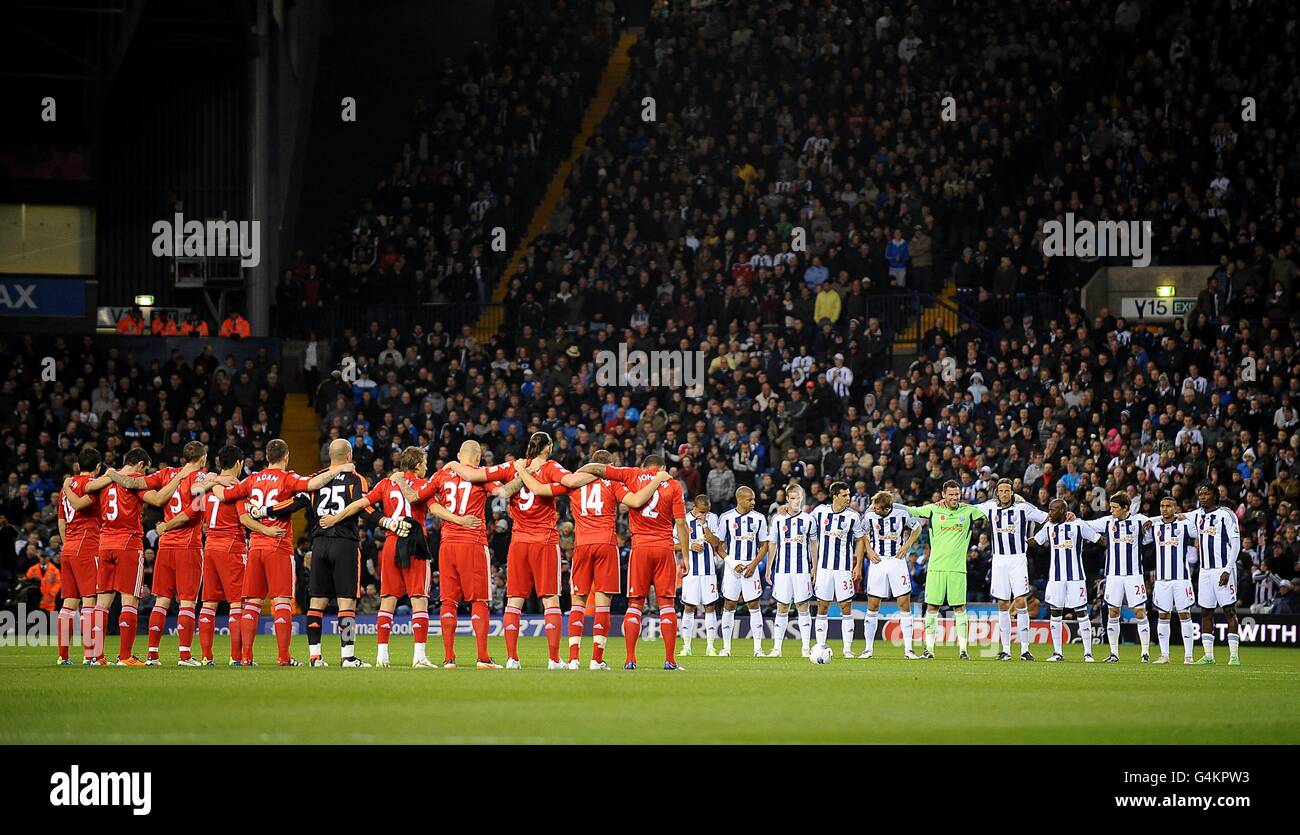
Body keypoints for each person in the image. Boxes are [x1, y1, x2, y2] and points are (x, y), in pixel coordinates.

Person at [322, 445, 483, 668]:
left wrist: (334, 518)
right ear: (417, 465)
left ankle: (382, 656)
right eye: (425, 463)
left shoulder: (387, 482)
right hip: (415, 543)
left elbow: (361, 503)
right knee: (419, 600)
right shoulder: (422, 485)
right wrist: (460, 520)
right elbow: (435, 510)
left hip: (390, 542)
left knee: (387, 600)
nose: (427, 467)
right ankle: (418, 656)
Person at [212, 438, 356, 666]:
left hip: (255, 546)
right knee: (282, 603)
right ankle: (284, 657)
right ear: (286, 456)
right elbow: (312, 484)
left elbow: (222, 496)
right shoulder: (287, 478)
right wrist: (339, 468)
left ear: (267, 457)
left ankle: (246, 657)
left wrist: (214, 480)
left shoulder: (251, 479)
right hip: (278, 545)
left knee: (252, 604)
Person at [516, 448, 664, 668]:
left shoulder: (574, 483)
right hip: (606, 543)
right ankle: (596, 659)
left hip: (582, 545)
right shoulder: (612, 483)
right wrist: (657, 481)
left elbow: (539, 489)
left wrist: (521, 470)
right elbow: (634, 501)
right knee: (603, 603)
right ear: (609, 466)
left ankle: (574, 659)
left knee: (578, 602)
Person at [395, 439, 517, 669]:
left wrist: (400, 479)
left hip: (447, 544)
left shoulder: (442, 475)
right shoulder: (481, 474)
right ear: (478, 457)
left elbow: (414, 497)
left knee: (448, 601)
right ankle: (482, 658)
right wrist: (521, 475)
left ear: (460, 455)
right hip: (473, 542)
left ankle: (449, 658)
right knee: (479, 600)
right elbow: (503, 492)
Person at [262, 438, 377, 667]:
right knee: (346, 604)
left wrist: (265, 510)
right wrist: (385, 521)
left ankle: (315, 657)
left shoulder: (317, 479)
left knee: (316, 602)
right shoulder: (356, 479)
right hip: (345, 542)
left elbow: (294, 503)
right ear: (349, 455)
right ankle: (347, 657)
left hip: (320, 543)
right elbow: (362, 507)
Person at [84, 450, 196, 665]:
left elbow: (88, 492)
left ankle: (95, 656)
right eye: (145, 469)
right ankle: (125, 657)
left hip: (104, 542)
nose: (144, 474)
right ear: (140, 465)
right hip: (127, 544)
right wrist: (179, 478)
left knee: (102, 604)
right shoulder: (134, 481)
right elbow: (159, 498)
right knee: (129, 601)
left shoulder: (105, 481)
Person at [146, 442, 229, 665]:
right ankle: (184, 655)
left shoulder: (167, 474)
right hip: (188, 546)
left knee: (161, 601)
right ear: (202, 459)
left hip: (165, 548)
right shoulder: (200, 478)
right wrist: (214, 480)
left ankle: (152, 654)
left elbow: (144, 485)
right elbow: (192, 513)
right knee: (187, 602)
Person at [905, 480, 988, 659]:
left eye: (956, 494)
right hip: (936, 568)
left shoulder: (969, 511)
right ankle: (929, 650)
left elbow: (992, 509)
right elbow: (911, 510)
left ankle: (964, 650)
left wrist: (1016, 499)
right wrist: (886, 503)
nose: (954, 497)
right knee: (932, 607)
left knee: (960, 608)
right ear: (943, 494)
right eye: (950, 494)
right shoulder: (933, 509)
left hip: (957, 569)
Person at [973, 479, 1048, 660]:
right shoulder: (989, 507)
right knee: (1003, 604)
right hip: (999, 561)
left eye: (1007, 491)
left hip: (1018, 560)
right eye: (1001, 491)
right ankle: (1006, 649)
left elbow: (1048, 518)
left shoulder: (1023, 508)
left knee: (1021, 601)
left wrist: (1036, 539)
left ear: (1012, 492)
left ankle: (1024, 649)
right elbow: (968, 510)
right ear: (997, 493)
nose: (1004, 494)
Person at [1077, 492, 1153, 662]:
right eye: (1110, 507)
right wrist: (1073, 519)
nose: (1111, 511)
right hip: (1113, 576)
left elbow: (1155, 524)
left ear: (1126, 508)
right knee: (1113, 611)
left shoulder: (1139, 520)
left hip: (1134, 575)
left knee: (1140, 612)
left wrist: (1150, 525)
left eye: (1114, 508)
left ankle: (1145, 653)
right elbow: (1086, 525)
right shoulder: (1107, 522)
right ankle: (1114, 653)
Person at [198, 445, 253, 665]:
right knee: (237, 603)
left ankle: (205, 657)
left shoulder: (207, 488)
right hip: (231, 547)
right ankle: (236, 658)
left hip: (209, 545)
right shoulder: (235, 486)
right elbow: (244, 518)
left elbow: (198, 514)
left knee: (209, 603)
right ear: (239, 463)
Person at [1031, 499, 1102, 662]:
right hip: (1056, 578)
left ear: (1063, 511)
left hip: (1076, 577)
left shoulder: (1078, 525)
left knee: (1081, 612)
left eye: (1053, 510)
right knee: (1055, 612)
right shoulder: (1049, 527)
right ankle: (1057, 653)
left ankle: (1088, 653)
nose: (1049, 513)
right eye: (1049, 509)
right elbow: (1035, 541)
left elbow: (1100, 541)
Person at [54, 448, 103, 665]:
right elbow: (80, 504)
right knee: (89, 602)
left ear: (77, 465)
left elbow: (61, 521)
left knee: (68, 604)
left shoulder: (67, 487)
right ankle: (90, 655)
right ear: (98, 467)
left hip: (69, 547)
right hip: (87, 546)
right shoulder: (90, 485)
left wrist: (68, 545)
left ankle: (63, 656)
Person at [1184, 484, 1242, 665]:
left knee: (1229, 610)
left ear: (1215, 496)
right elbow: (1174, 516)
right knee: (1206, 612)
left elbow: (1236, 543)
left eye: (1206, 494)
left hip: (1222, 569)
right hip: (1205, 571)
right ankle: (1208, 656)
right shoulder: (1198, 514)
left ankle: (1234, 656)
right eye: (1200, 493)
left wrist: (1227, 569)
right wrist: (1149, 521)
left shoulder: (1226, 514)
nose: (1202, 497)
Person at [861, 490, 923, 659]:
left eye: (877, 507)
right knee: (872, 605)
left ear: (887, 508)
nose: (873, 508)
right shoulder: (869, 514)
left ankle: (909, 650)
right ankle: (868, 649)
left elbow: (917, 528)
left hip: (897, 561)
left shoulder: (902, 513)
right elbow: (862, 533)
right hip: (878, 562)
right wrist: (868, 549)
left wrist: (907, 545)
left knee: (904, 604)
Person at [810, 481, 864, 658]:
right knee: (822, 607)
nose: (848, 498)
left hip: (843, 569)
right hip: (824, 569)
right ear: (835, 497)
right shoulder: (819, 512)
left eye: (849, 495)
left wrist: (857, 564)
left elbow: (860, 540)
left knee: (846, 607)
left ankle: (847, 649)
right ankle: (820, 647)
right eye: (844, 495)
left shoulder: (853, 516)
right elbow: (807, 531)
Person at [716, 486, 770, 657]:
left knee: (754, 605)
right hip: (733, 568)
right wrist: (731, 563)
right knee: (729, 605)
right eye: (750, 499)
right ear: (739, 499)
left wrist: (754, 565)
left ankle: (758, 648)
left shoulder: (759, 518)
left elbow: (764, 545)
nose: (753, 502)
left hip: (750, 567)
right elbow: (719, 545)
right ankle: (726, 648)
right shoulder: (726, 518)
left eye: (754, 499)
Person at [765, 482, 817, 657]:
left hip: (802, 570)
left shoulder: (809, 520)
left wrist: (814, 568)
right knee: (782, 606)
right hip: (782, 570)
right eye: (793, 498)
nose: (796, 501)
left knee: (803, 606)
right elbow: (772, 544)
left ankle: (805, 648)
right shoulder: (778, 519)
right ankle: (777, 648)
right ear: (787, 499)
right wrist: (769, 568)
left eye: (799, 498)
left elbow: (813, 545)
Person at [1150, 496, 1198, 664]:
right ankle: (1164, 655)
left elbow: (1201, 526)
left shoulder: (1185, 525)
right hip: (1162, 579)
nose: (1164, 509)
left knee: (1185, 615)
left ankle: (1189, 656)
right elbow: (1141, 531)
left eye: (1168, 506)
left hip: (1181, 579)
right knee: (1163, 615)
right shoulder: (1155, 527)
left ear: (1175, 508)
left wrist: (1185, 515)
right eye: (1162, 506)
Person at [677, 494, 725, 657]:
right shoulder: (683, 520)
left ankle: (710, 647)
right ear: (694, 508)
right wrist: (690, 546)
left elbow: (716, 542)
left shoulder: (712, 519)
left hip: (709, 571)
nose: (705, 513)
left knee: (710, 607)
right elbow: (672, 544)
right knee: (689, 607)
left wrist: (704, 525)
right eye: (702, 511)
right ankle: (687, 647)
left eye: (707, 511)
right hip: (691, 572)